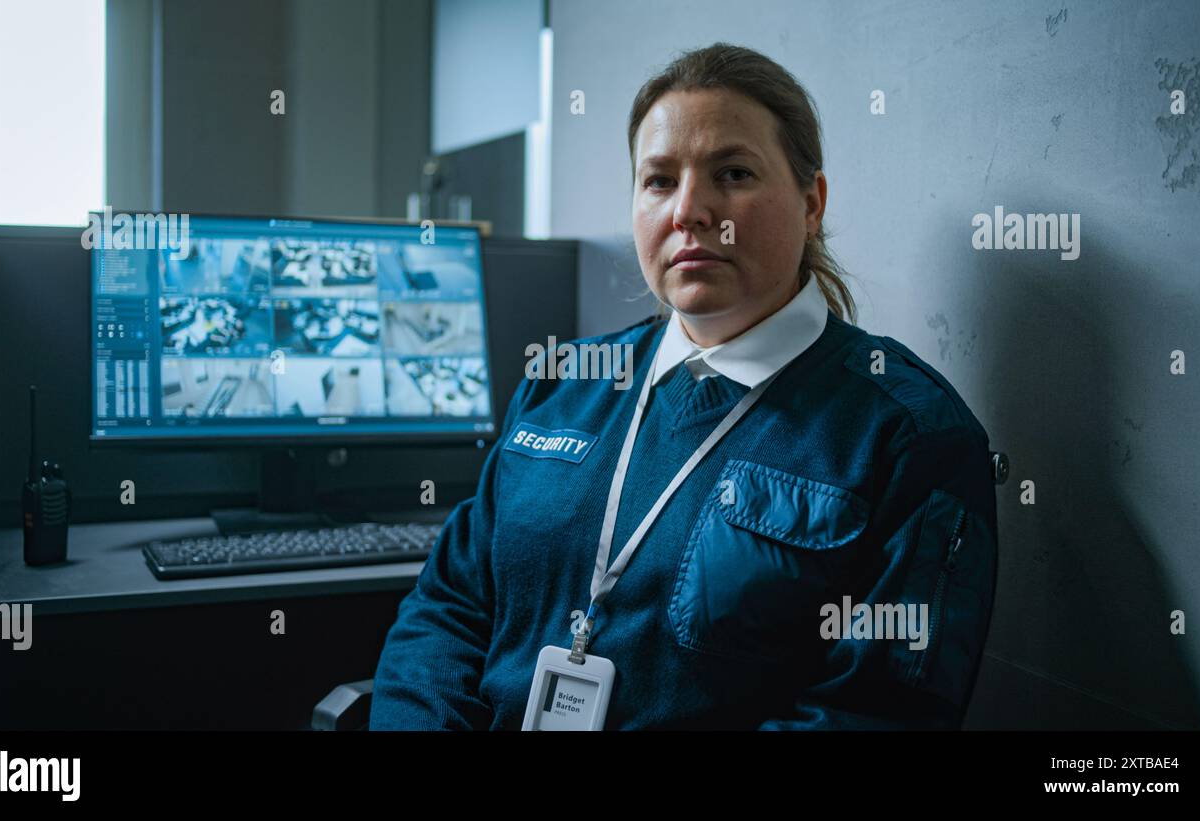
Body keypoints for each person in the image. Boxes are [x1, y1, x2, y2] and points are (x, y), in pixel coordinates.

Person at [368, 42, 997, 730]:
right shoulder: (563, 385)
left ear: (812, 202)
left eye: (732, 173)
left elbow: (873, 715)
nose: (690, 210)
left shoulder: (907, 437)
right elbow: (449, 608)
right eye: (660, 181)